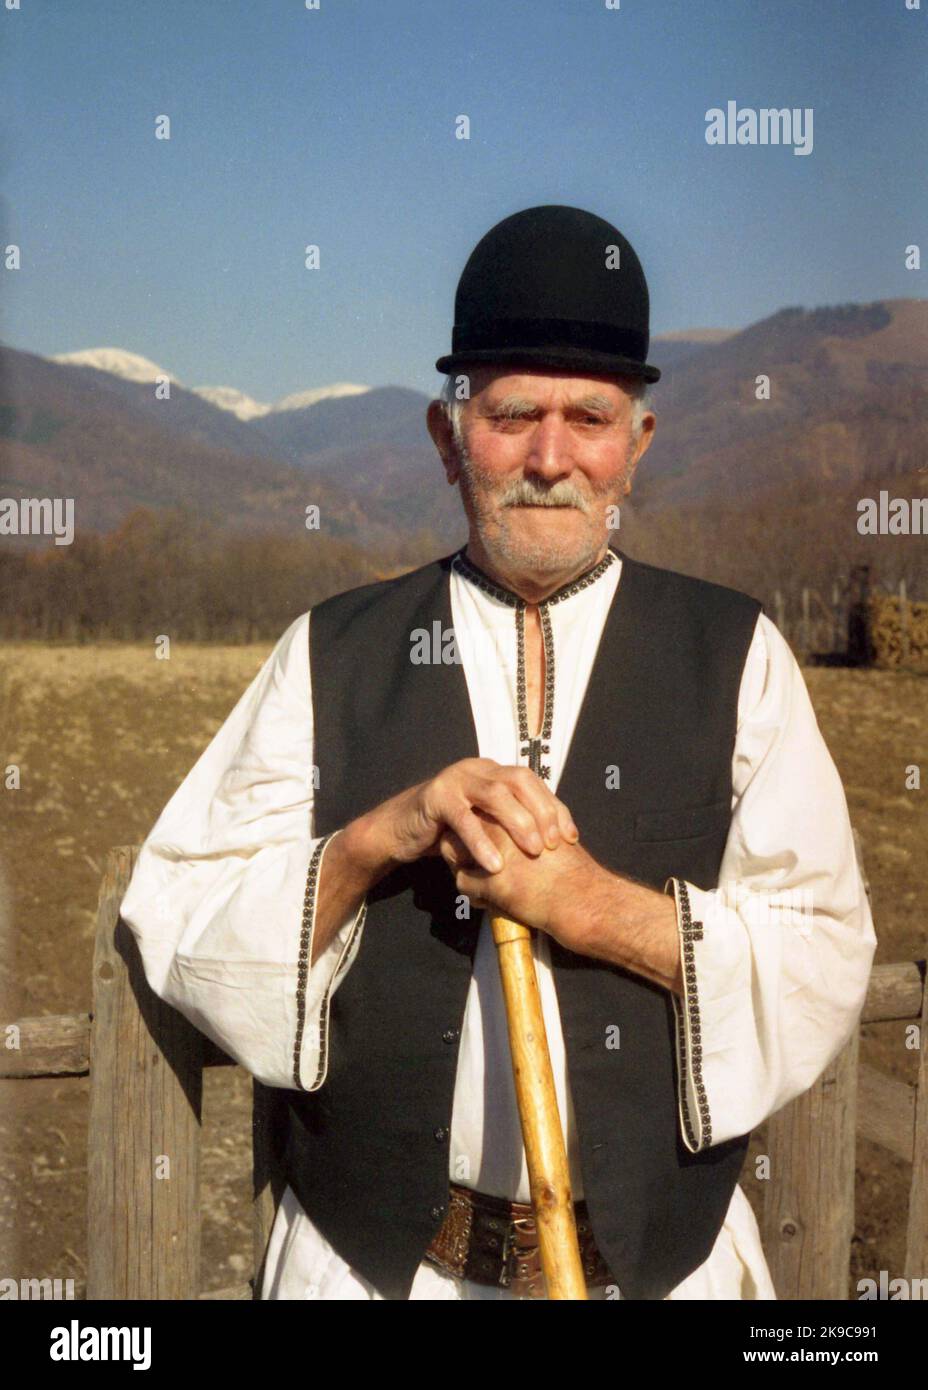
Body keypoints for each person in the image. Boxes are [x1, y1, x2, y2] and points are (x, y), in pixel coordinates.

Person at [120, 205, 876, 1301]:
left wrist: (593, 907)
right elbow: (184, 912)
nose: (550, 457)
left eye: (590, 417)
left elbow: (820, 953)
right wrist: (381, 836)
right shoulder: (332, 652)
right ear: (447, 436)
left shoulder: (734, 654)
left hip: (656, 1277)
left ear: (637, 447)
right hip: (380, 1273)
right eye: (513, 413)